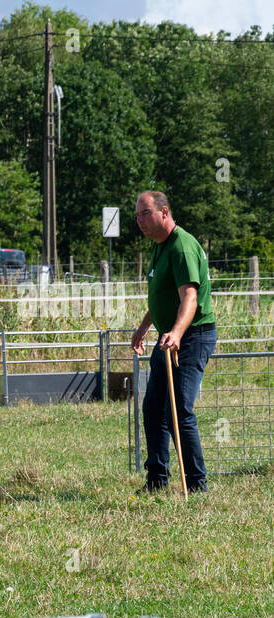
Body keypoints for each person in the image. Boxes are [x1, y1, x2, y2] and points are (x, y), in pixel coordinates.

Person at [129, 190, 218, 493]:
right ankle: (157, 479)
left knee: (179, 409)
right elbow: (163, 296)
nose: (139, 220)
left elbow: (189, 299)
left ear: (164, 212)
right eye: (137, 215)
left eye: (145, 213)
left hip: (192, 336)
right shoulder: (159, 246)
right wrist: (144, 327)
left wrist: (177, 334)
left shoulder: (182, 247)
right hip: (169, 335)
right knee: (153, 407)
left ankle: (196, 485)